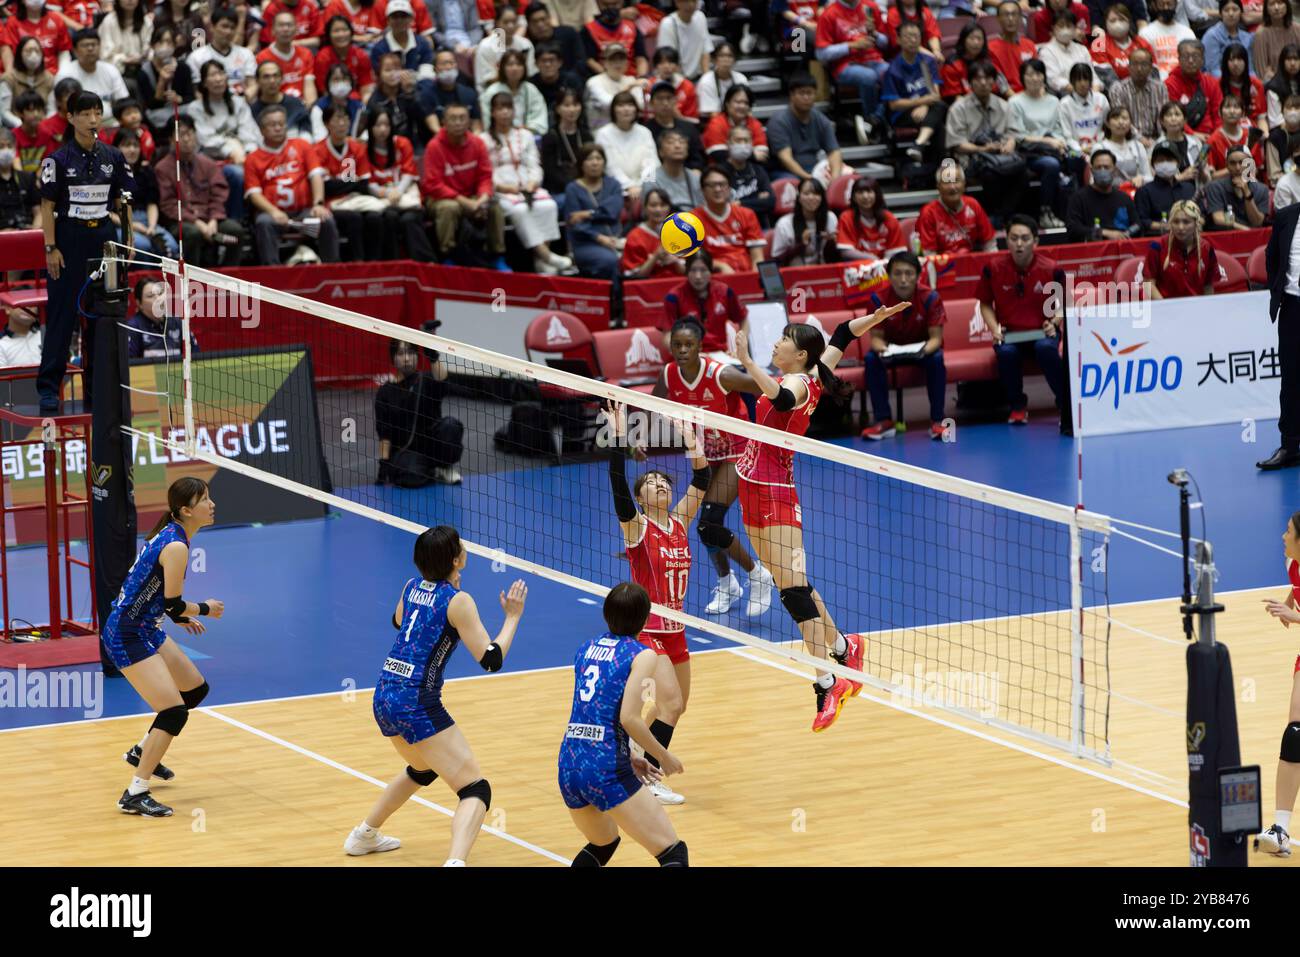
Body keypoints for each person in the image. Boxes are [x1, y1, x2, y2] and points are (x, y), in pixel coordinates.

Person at [732, 305, 907, 732]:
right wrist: (875, 319)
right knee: (792, 584)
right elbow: (843, 333)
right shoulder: (812, 371)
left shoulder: (794, 383)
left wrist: (749, 361)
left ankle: (827, 682)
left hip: (775, 495)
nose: (776, 343)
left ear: (799, 355)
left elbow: (782, 398)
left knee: (794, 593)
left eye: (783, 340)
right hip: (749, 486)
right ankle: (846, 647)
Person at [343, 525, 527, 865]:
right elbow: (490, 659)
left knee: (422, 768)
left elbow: (399, 621)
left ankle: (364, 834)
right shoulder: (458, 601)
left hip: (384, 695)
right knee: (475, 789)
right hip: (416, 701)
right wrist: (512, 618)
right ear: (457, 559)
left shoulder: (411, 586)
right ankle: (455, 862)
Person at [600, 401, 710, 805]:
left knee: (675, 709)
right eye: (651, 482)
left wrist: (688, 438)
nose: (661, 484)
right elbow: (616, 483)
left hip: (676, 630)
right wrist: (617, 439)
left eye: (665, 481)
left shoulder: (680, 521)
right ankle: (651, 774)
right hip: (649, 630)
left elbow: (702, 476)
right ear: (641, 497)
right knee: (671, 702)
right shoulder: (637, 527)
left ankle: (630, 758)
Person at [102, 477, 224, 817]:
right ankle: (135, 791)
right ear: (186, 510)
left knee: (195, 691)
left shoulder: (172, 532)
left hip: (145, 626)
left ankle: (142, 751)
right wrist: (203, 609)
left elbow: (151, 588)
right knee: (173, 712)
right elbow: (172, 603)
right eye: (204, 500)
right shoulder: (177, 546)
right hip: (128, 633)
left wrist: (179, 617)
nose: (211, 504)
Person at [557, 581, 689, 866]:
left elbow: (592, 714)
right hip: (605, 767)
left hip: (570, 763)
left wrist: (627, 756)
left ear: (607, 614)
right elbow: (629, 718)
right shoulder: (642, 655)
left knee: (602, 844)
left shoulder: (585, 649)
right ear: (645, 619)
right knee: (673, 852)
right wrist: (663, 755)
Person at [38, 90, 134, 414]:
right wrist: (51, 248)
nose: (93, 120)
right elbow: (47, 205)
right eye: (85, 114)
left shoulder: (114, 157)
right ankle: (49, 388)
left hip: (104, 241)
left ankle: (97, 390)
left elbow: (124, 202)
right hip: (69, 241)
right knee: (63, 318)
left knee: (101, 320)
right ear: (71, 118)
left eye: (97, 113)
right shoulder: (57, 160)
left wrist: (128, 241)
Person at [977, 215, 1065, 425]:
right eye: (1014, 238)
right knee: (1006, 353)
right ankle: (1017, 406)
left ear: (1035, 241)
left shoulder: (1052, 268)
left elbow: (1064, 304)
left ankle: (1065, 404)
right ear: (1006, 239)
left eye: (1025, 238)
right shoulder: (993, 268)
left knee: (1045, 348)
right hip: (1010, 334)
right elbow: (985, 303)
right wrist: (994, 328)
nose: (1019, 244)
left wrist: (1054, 322)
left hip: (1043, 331)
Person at [481, 91, 574, 274]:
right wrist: (502, 187)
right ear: (492, 112)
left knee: (548, 205)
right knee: (520, 210)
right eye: (500, 109)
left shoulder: (525, 135)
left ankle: (540, 261)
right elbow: (484, 172)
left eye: (508, 108)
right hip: (501, 189)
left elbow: (535, 164)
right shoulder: (483, 139)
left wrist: (533, 182)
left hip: (527, 186)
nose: (505, 113)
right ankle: (547, 255)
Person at [860, 251, 949, 441]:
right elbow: (875, 338)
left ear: (918, 275)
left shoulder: (931, 297)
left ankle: (937, 421)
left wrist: (922, 351)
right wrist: (883, 350)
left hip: (922, 351)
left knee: (937, 358)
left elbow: (936, 338)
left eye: (909, 274)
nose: (903, 279)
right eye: (897, 273)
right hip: (890, 350)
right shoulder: (878, 299)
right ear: (889, 275)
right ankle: (884, 421)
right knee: (871, 359)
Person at [1254, 510, 1300, 854]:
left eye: (1288, 531)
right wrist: (1289, 601)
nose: (1283, 536)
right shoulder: (1291, 564)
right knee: (1295, 734)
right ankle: (1280, 829)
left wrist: (1295, 616)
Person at [245, 105, 340, 265]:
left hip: (303, 212)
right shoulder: (253, 158)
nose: (278, 128)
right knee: (263, 223)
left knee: (325, 220)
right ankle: (272, 276)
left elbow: (316, 176)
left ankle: (331, 269)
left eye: (281, 124)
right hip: (273, 213)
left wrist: (318, 204)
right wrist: (274, 212)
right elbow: (254, 194)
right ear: (262, 130)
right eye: (273, 125)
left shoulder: (302, 146)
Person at [419, 101, 507, 269]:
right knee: (449, 208)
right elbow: (433, 184)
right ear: (444, 122)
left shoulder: (477, 143)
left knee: (494, 205)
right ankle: (447, 256)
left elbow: (485, 176)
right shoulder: (434, 146)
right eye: (453, 119)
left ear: (468, 122)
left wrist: (482, 197)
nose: (458, 123)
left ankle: (497, 256)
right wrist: (464, 202)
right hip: (441, 198)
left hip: (472, 195)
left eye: (462, 118)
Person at [156, 114, 246, 266]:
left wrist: (214, 219)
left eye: (190, 133)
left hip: (209, 217)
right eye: (180, 135)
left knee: (235, 231)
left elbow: (219, 194)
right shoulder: (162, 168)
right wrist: (196, 222)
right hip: (180, 222)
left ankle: (228, 275)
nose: (186, 139)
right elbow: (169, 204)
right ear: (171, 140)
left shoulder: (208, 164)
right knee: (193, 233)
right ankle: (192, 278)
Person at [945, 61, 1028, 225]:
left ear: (994, 81)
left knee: (1022, 172)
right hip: (971, 158)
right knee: (990, 174)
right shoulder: (958, 108)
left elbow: (1014, 133)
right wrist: (983, 148)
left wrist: (1010, 143)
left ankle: (1007, 215)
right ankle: (995, 216)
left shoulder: (1004, 105)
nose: (983, 83)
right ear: (970, 83)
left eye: (988, 78)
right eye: (978, 79)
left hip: (1001, 156)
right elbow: (957, 144)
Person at [375, 339, 465, 486]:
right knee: (410, 478)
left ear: (417, 356)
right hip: (407, 450)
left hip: (432, 444)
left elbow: (443, 382)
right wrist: (383, 465)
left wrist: (433, 357)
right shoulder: (385, 393)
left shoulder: (427, 380)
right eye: (401, 353)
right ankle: (432, 471)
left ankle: (443, 466)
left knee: (451, 425)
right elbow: (384, 433)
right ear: (393, 358)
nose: (406, 358)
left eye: (411, 353)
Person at [365, 105, 435, 260]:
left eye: (386, 125)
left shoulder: (403, 143)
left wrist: (398, 192)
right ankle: (395, 263)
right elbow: (368, 182)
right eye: (378, 125)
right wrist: (387, 193)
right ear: (370, 127)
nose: (382, 129)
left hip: (405, 197)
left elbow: (409, 173)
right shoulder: (364, 150)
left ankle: (426, 263)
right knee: (389, 217)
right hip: (381, 200)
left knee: (409, 219)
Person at [815, 0, 888, 145]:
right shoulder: (829, 14)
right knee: (869, 76)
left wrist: (875, 34)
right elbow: (821, 53)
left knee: (893, 73)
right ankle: (872, 121)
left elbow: (886, 43)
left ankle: (873, 121)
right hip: (845, 65)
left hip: (873, 59)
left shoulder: (870, 7)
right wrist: (851, 46)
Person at [1009, 59, 1070, 229]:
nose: (1035, 78)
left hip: (1052, 149)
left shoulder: (1053, 101)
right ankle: (1045, 212)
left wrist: (1059, 142)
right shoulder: (1015, 102)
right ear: (1022, 78)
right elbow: (1019, 136)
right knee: (1051, 165)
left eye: (1038, 74)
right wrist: (1047, 141)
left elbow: (1059, 129)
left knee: (1075, 160)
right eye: (1030, 74)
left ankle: (1071, 213)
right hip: (1028, 153)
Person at [1262, 198, 1300, 469]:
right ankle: (1290, 445)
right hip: (1293, 306)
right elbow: (1272, 256)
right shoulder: (1286, 216)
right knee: (1291, 378)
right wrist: (1279, 289)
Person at [660, 249, 747, 358]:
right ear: (686, 271)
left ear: (711, 271)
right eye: (693, 270)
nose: (698, 276)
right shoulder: (673, 297)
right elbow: (667, 336)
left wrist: (740, 348)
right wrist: (683, 352)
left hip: (721, 356)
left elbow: (743, 319)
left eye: (703, 270)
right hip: (689, 358)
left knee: (745, 373)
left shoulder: (725, 292)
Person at [882, 20, 946, 163]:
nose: (912, 40)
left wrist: (924, 105)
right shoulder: (893, 69)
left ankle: (918, 146)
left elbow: (935, 94)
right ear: (898, 39)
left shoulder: (927, 61)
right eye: (908, 36)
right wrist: (922, 102)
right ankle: (941, 171)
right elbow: (894, 104)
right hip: (902, 114)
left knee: (939, 121)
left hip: (927, 109)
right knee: (939, 116)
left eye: (916, 36)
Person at [113, 129, 179, 258]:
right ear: (116, 148)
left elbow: (152, 203)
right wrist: (133, 226)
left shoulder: (146, 172)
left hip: (147, 220)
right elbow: (108, 213)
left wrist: (152, 227)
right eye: (127, 145)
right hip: (121, 223)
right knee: (143, 246)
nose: (132, 150)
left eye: (136, 146)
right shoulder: (110, 175)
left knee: (171, 246)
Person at [767, 72, 843, 184]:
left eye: (810, 93)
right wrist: (809, 179)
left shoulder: (820, 119)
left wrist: (835, 178)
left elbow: (834, 151)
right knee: (792, 182)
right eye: (802, 93)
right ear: (791, 95)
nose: (806, 97)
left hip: (814, 168)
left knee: (847, 175)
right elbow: (785, 158)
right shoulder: (779, 121)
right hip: (785, 171)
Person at [563, 142, 625, 280]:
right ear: (581, 164)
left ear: (604, 162)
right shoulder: (573, 189)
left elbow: (612, 211)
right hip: (586, 243)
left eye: (598, 158)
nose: (595, 163)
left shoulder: (613, 185)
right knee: (609, 261)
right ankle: (612, 299)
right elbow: (576, 224)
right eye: (589, 159)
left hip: (615, 238)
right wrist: (600, 238)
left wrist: (588, 214)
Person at [691, 165, 764, 274]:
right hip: (711, 279)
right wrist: (720, 265)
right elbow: (691, 260)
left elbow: (757, 258)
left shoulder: (747, 214)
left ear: (729, 188)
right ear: (702, 190)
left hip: (745, 274)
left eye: (722, 184)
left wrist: (754, 280)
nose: (717, 189)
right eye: (711, 185)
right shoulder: (692, 220)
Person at [917, 160, 996, 254]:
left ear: (964, 184)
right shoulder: (928, 213)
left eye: (956, 181)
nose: (952, 187)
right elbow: (929, 254)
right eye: (947, 182)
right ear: (938, 187)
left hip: (970, 263)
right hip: (943, 266)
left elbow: (990, 244)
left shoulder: (973, 205)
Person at [1142, 200, 1216, 299]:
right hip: (1164, 308)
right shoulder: (1156, 246)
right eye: (1176, 222)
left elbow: (1208, 286)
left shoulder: (1207, 248)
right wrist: (1167, 307)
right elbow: (1148, 285)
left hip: (1196, 309)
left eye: (1186, 222)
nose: (1180, 227)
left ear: (1196, 224)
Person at [1065, 148, 1140, 240]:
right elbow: (1073, 229)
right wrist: (1102, 233)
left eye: (1106, 167)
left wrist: (1125, 234)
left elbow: (1137, 225)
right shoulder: (1078, 198)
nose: (1102, 170)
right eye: (1098, 167)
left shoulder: (1124, 198)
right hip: (1091, 251)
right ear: (1091, 170)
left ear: (1115, 170)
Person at [594, 91, 656, 200]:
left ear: (636, 109)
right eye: (621, 105)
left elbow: (651, 162)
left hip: (644, 188)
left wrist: (643, 185)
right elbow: (609, 166)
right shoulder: (603, 134)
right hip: (615, 188)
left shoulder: (644, 132)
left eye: (630, 105)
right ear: (613, 110)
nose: (626, 109)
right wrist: (629, 186)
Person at [55, 30, 130, 120]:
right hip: (76, 125)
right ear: (75, 50)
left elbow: (123, 101)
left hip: (109, 123)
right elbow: (58, 107)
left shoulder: (111, 70)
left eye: (94, 45)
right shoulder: (64, 74)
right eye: (85, 45)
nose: (90, 49)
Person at [188, 7, 258, 98]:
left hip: (241, 105)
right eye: (224, 26)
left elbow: (252, 84)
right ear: (212, 27)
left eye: (232, 28)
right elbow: (196, 91)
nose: (228, 32)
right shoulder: (197, 57)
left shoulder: (246, 54)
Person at [541, 87, 593, 207]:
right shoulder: (551, 136)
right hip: (560, 189)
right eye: (567, 105)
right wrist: (576, 186)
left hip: (587, 185)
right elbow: (550, 172)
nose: (572, 110)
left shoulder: (586, 135)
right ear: (558, 109)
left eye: (575, 105)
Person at [138, 26, 196, 132]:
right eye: (160, 42)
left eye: (169, 42)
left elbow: (191, 97)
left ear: (174, 46)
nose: (165, 46)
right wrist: (162, 81)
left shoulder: (183, 68)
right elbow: (151, 105)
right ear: (152, 45)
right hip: (158, 115)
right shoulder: (144, 72)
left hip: (180, 110)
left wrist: (179, 99)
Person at [620, 187, 687, 279]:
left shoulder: (679, 233)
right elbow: (634, 278)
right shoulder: (634, 236)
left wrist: (674, 261)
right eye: (653, 205)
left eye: (663, 205)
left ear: (669, 208)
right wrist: (655, 257)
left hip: (677, 286)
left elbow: (688, 272)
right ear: (645, 208)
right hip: (647, 289)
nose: (658, 210)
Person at [1106, 45, 1167, 145]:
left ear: (1151, 67)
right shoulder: (1118, 89)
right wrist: (1140, 140)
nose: (1139, 69)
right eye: (1135, 64)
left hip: (1156, 140)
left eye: (1144, 64)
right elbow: (1120, 120)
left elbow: (1163, 118)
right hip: (1127, 140)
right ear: (1129, 67)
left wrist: (1161, 140)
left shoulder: (1160, 88)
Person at [772, 175, 838, 266]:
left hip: (825, 268)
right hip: (796, 272)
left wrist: (832, 242)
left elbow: (837, 255)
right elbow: (777, 259)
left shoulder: (830, 217)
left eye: (816, 194)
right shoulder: (784, 224)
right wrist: (800, 245)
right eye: (806, 194)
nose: (811, 197)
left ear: (822, 197)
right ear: (798, 197)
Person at [125, 277, 198, 360]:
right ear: (139, 303)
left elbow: (195, 356)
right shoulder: (133, 328)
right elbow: (130, 365)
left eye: (160, 294)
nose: (158, 299)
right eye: (150, 296)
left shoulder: (178, 323)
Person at [480, 48, 548, 136]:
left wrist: (524, 131)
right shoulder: (492, 91)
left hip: (528, 136)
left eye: (519, 64)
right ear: (502, 68)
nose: (515, 68)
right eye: (510, 64)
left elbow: (539, 118)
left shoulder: (530, 89)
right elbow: (487, 121)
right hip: (499, 136)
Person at [258, 9, 320, 106]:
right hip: (276, 107)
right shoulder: (262, 57)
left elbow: (309, 86)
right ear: (273, 31)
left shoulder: (306, 54)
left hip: (301, 107)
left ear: (296, 30)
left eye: (289, 25)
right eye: (281, 25)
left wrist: (309, 107)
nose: (286, 29)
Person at [835, 176, 904, 261]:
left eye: (869, 191)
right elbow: (846, 251)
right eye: (860, 192)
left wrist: (883, 264)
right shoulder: (846, 217)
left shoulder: (889, 218)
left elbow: (896, 251)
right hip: (856, 267)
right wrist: (872, 259)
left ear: (877, 195)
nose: (865, 196)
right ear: (853, 197)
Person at [1164, 39, 1221, 137]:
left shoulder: (1212, 82)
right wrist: (1193, 134)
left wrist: (1216, 136)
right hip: (1182, 136)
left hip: (1212, 136)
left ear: (1202, 60)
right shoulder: (1170, 84)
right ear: (1179, 59)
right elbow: (1171, 117)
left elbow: (1218, 114)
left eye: (1195, 57)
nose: (1190, 61)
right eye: (1186, 57)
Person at [1135, 142, 1196, 232]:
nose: (1165, 163)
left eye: (1169, 160)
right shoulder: (1144, 191)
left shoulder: (1189, 188)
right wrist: (1168, 227)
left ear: (1178, 163)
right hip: (1159, 238)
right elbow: (1143, 221)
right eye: (1160, 160)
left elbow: (1200, 215)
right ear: (1153, 165)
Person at [1204, 145, 1269, 229]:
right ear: (1226, 165)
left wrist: (1247, 193)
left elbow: (1257, 222)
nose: (1238, 168)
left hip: (1252, 237)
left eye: (1242, 162)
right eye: (1232, 163)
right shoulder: (1215, 187)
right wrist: (1240, 228)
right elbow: (1218, 218)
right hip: (1226, 236)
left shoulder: (1262, 189)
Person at [700, 84, 768, 165]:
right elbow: (719, 155)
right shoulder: (716, 123)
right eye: (738, 102)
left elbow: (763, 155)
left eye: (746, 103)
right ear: (727, 103)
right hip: (720, 170)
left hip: (751, 169)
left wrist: (732, 153)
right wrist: (752, 155)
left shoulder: (755, 124)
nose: (742, 106)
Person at [474, 3, 536, 91]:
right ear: (497, 23)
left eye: (514, 22)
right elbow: (485, 80)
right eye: (506, 22)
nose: (510, 26)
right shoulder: (485, 46)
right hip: (494, 92)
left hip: (521, 90)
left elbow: (531, 74)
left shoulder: (525, 44)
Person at [643, 78, 705, 166]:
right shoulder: (645, 131)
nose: (665, 103)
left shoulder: (689, 128)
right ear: (651, 103)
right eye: (660, 98)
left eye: (669, 98)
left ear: (675, 101)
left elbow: (698, 159)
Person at [314, 15, 376, 102]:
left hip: (357, 102)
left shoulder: (361, 55)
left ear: (351, 33)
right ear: (329, 35)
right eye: (336, 31)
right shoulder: (322, 58)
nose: (341, 34)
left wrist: (364, 107)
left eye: (345, 30)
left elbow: (366, 87)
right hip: (332, 102)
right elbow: (325, 91)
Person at [0, 2, 72, 76]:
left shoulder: (56, 19)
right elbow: (10, 52)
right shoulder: (13, 23)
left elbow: (64, 50)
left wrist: (63, 73)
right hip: (24, 75)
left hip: (53, 74)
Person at [1089, 3, 1152, 86]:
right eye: (1112, 20)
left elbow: (1152, 72)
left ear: (1129, 21)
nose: (1117, 24)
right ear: (1106, 23)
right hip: (1114, 92)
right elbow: (1107, 77)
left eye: (1122, 19)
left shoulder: (1142, 43)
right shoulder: (1099, 45)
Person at [721, 125, 773, 226]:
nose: (743, 144)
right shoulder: (719, 172)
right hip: (730, 227)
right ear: (728, 144)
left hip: (758, 226)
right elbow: (723, 207)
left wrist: (740, 203)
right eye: (738, 140)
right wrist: (757, 199)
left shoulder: (758, 170)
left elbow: (770, 202)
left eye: (746, 140)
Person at [582, 0, 649, 77]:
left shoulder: (632, 27)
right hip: (604, 77)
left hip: (631, 77)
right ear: (598, 3)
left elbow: (641, 58)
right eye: (606, 5)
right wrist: (610, 77)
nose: (610, 8)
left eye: (615, 4)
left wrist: (641, 78)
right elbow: (590, 60)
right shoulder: (589, 29)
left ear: (622, 3)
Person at [584, 43, 642, 131]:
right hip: (599, 130)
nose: (618, 63)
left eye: (621, 59)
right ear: (604, 63)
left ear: (627, 62)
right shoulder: (594, 82)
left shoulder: (631, 80)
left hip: (628, 130)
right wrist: (629, 88)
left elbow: (640, 104)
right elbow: (609, 104)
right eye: (613, 59)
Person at [642, 128, 702, 212]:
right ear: (660, 151)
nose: (677, 146)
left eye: (681, 142)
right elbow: (649, 213)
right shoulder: (651, 179)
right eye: (670, 142)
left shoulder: (695, 178)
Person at [423, 47, 481, 133]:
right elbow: (434, 127)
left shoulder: (469, 93)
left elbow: (476, 127)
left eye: (452, 63)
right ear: (434, 69)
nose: (448, 67)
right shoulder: (427, 95)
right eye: (443, 64)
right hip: (441, 141)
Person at [1058, 61, 1109, 157]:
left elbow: (1108, 127)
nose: (1082, 84)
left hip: (1100, 146)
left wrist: (1098, 145)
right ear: (1072, 82)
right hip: (1076, 150)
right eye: (1078, 80)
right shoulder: (1065, 104)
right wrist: (1081, 149)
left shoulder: (1101, 99)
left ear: (1090, 81)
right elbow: (1066, 136)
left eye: (1085, 79)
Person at [987, 0, 1039, 94]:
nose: (1010, 18)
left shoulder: (1029, 44)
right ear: (998, 18)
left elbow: (1038, 73)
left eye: (1014, 14)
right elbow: (1000, 83)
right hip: (1009, 97)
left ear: (1020, 18)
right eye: (1006, 14)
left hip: (1032, 93)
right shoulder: (990, 48)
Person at [252, 57, 312, 137]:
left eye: (275, 76)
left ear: (282, 79)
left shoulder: (296, 104)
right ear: (257, 81)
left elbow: (306, 131)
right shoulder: (252, 110)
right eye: (266, 77)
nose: (272, 81)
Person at [1205, 93, 1263, 176]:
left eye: (1236, 107)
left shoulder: (1251, 136)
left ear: (1243, 113)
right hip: (1223, 185)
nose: (1232, 111)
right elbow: (1212, 176)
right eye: (1227, 107)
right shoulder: (1213, 140)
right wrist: (1237, 168)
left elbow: (1257, 168)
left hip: (1248, 181)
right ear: (1219, 112)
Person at [1094, 105, 1150, 187]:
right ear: (1108, 124)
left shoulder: (1138, 146)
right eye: (1116, 118)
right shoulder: (1099, 148)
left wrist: (1141, 178)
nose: (1121, 122)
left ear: (1130, 124)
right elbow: (1094, 179)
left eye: (1124, 118)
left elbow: (1149, 176)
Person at [1039, 11, 1094, 94]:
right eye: (1061, 26)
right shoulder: (1046, 51)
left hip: (1087, 91)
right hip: (1063, 94)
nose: (1065, 29)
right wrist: (1078, 90)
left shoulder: (1082, 49)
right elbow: (1053, 79)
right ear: (1053, 28)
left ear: (1075, 28)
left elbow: (1092, 75)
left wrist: (1095, 89)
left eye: (1068, 26)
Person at [656, 0, 713, 80]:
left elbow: (705, 51)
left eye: (693, 1)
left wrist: (706, 79)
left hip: (698, 78)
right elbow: (667, 59)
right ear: (677, 2)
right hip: (676, 79)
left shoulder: (700, 17)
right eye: (686, 1)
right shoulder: (668, 24)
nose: (690, 5)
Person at [1219, 43, 1266, 138]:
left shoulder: (1256, 84)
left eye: (1240, 59)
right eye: (1231, 60)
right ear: (1225, 63)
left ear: (1246, 62)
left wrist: (1264, 134)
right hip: (1226, 131)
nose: (1236, 64)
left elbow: (1261, 118)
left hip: (1252, 132)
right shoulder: (1218, 85)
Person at [525, 1, 583, 77]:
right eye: (535, 21)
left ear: (549, 18)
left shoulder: (569, 34)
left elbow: (580, 62)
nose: (540, 25)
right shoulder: (527, 44)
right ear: (529, 25)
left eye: (543, 19)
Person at [97, 0, 152, 81]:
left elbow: (152, 48)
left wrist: (142, 57)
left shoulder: (146, 21)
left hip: (143, 67)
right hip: (117, 71)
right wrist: (124, 59)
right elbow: (105, 54)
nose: (130, 0)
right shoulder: (109, 21)